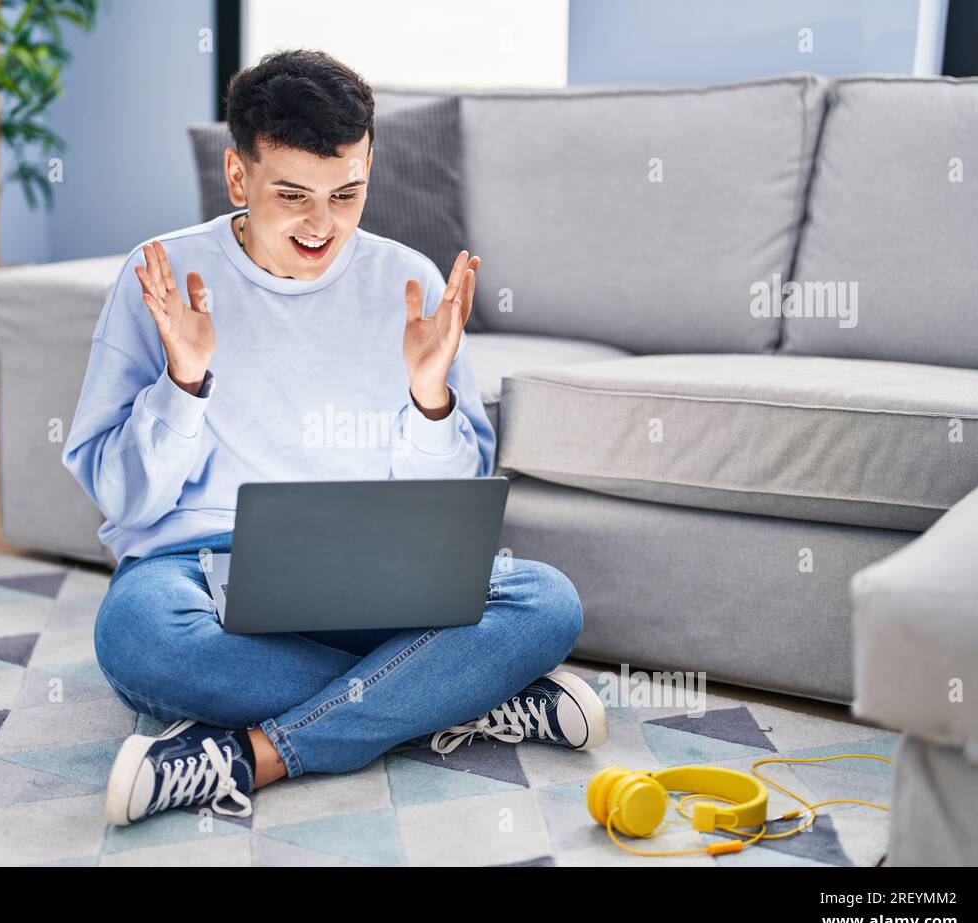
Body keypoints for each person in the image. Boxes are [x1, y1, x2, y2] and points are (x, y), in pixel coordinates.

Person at [62, 49, 606, 827]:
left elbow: (449, 507)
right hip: (196, 573)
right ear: (238, 177)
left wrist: (429, 398)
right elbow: (120, 496)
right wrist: (182, 383)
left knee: (547, 600)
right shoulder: (161, 276)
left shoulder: (407, 283)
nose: (323, 224)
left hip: (373, 577)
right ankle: (468, 695)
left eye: (347, 193)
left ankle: (257, 754)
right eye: (293, 195)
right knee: (139, 640)